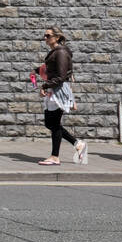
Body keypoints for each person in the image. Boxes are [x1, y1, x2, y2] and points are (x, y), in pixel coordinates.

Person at [37, 26, 84, 165]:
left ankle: (55, 156)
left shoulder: (61, 52)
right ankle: (77, 144)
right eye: (44, 35)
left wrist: (45, 86)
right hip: (54, 88)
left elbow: (62, 76)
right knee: (49, 123)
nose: (45, 38)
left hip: (59, 90)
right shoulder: (55, 51)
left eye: (48, 35)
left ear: (57, 37)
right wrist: (36, 71)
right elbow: (52, 70)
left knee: (54, 123)